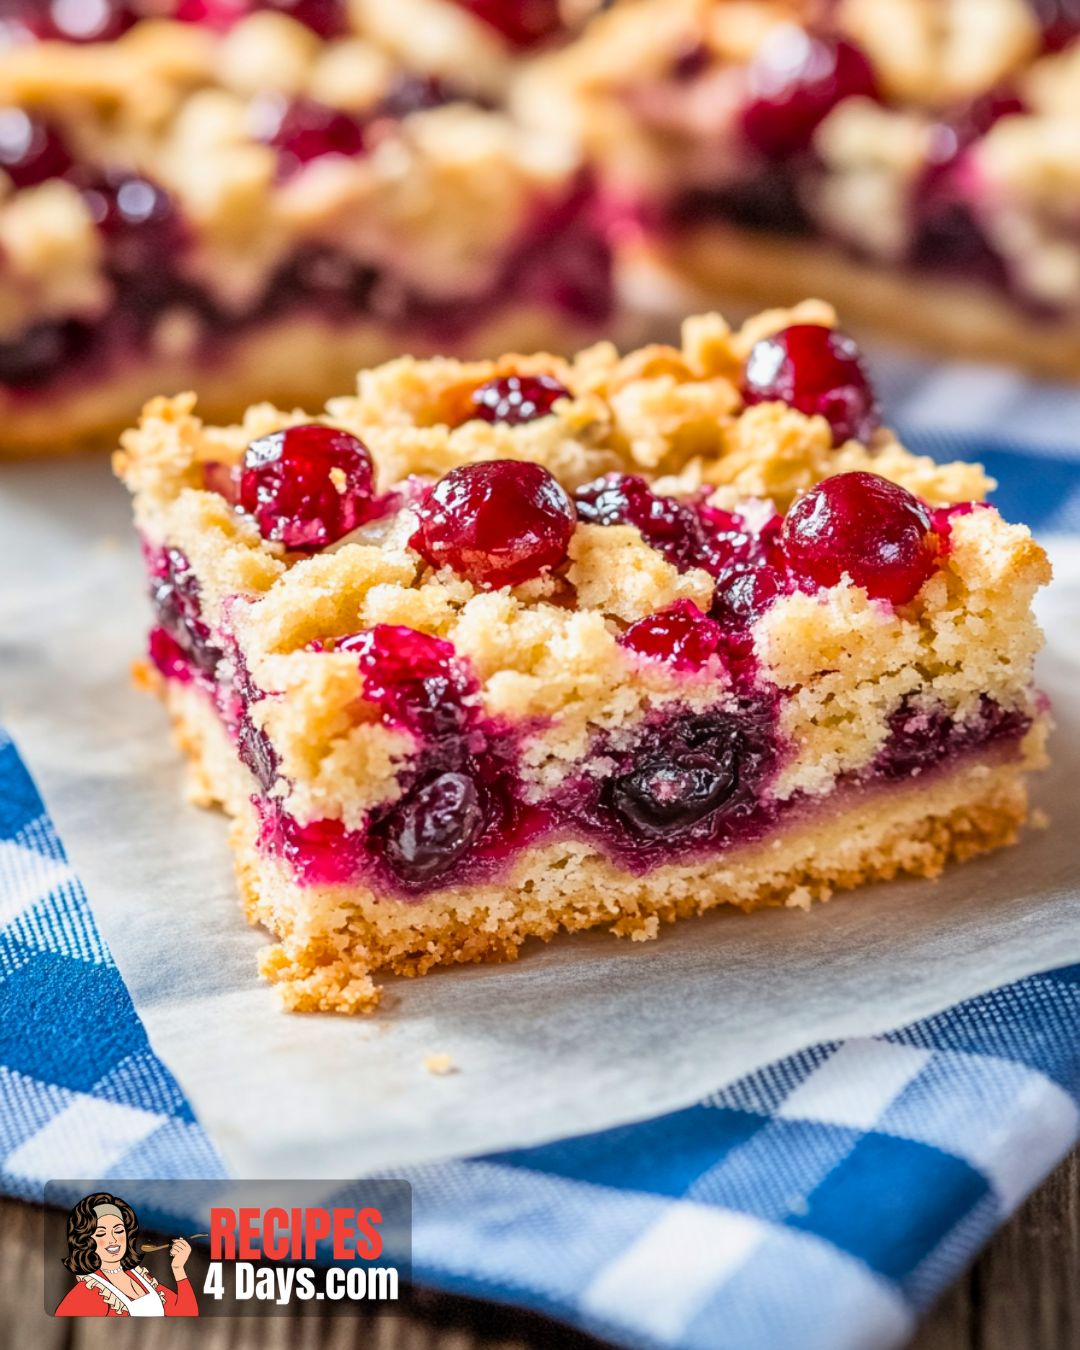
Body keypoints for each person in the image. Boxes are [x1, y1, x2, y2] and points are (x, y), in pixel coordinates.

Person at [54, 1192, 198, 1317]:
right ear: (86, 1241)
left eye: (118, 1231)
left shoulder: (141, 1278)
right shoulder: (88, 1293)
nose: (113, 1239)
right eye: (101, 1233)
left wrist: (178, 1269)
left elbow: (187, 1314)